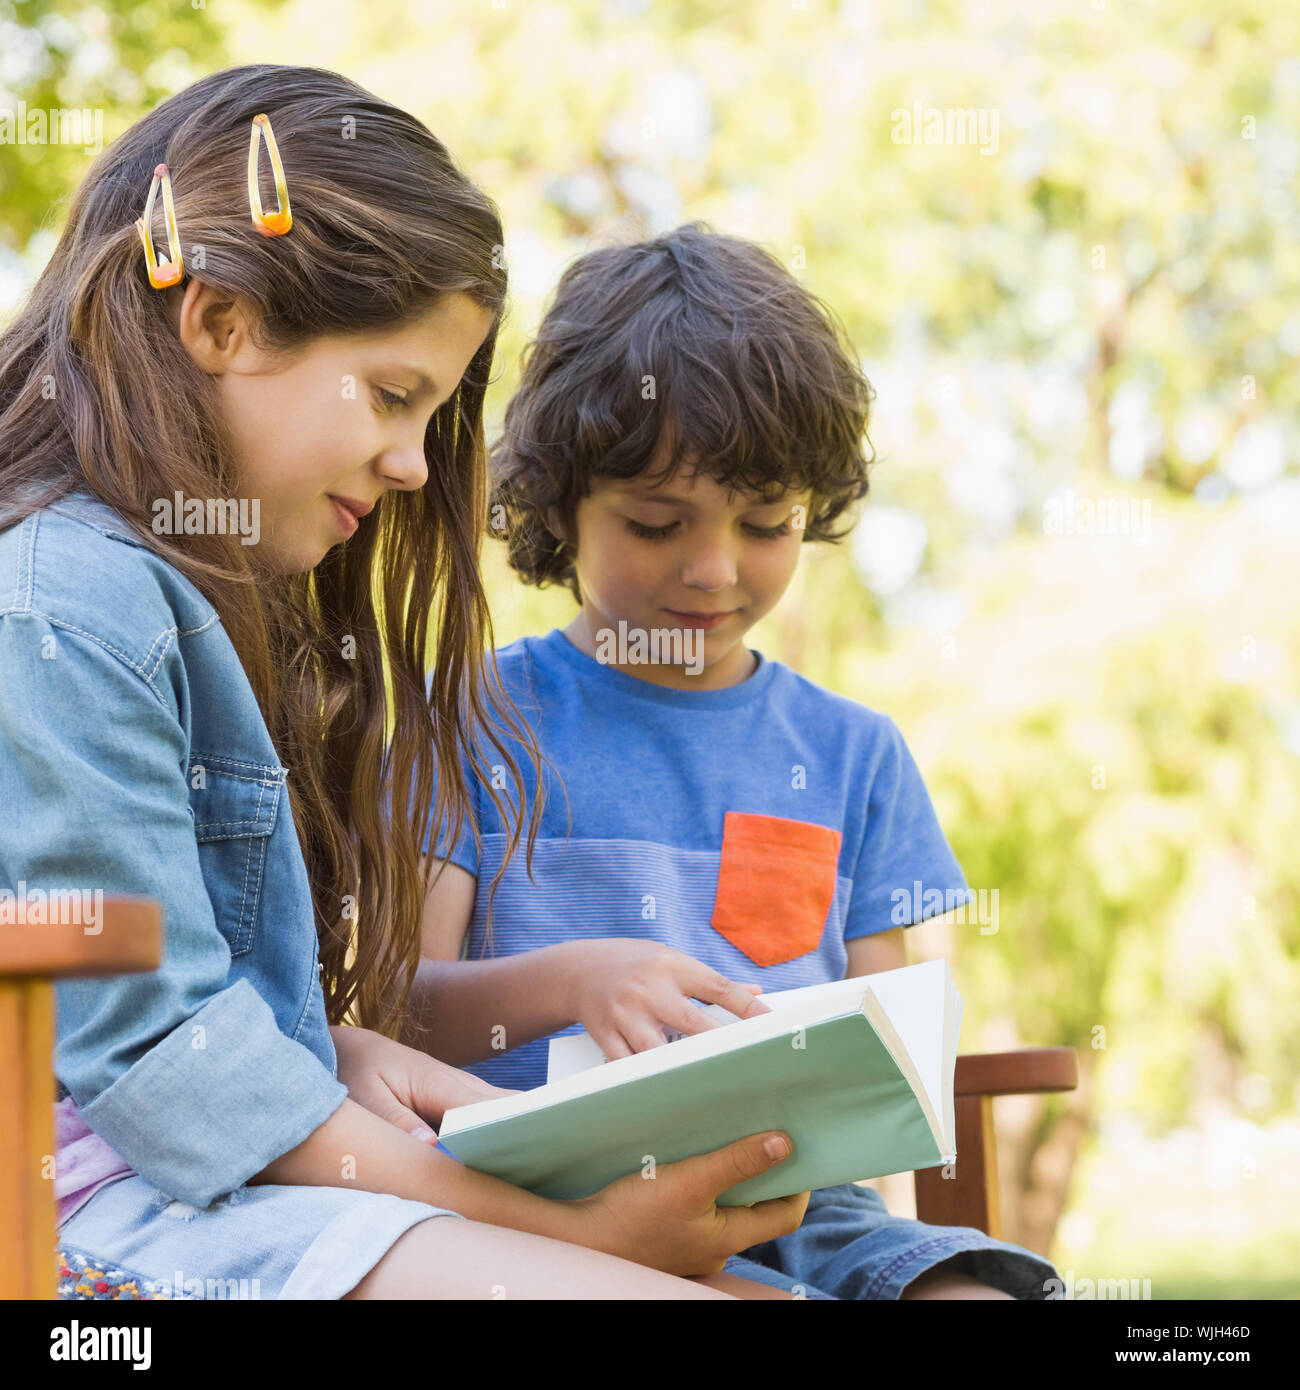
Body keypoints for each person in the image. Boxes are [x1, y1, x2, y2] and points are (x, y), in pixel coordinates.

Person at [0, 67, 813, 1301]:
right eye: (392, 397)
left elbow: (147, 1020)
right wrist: (573, 1234)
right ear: (219, 321)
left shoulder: (168, 594)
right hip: (95, 1230)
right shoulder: (67, 602)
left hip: (188, 1188)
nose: (412, 464)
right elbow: (158, 1064)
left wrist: (331, 1051)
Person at [409, 224, 1064, 1300]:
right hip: (545, 1206)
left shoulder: (854, 754)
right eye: (658, 522)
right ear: (559, 506)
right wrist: (577, 980)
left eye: (766, 523)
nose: (713, 570)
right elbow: (401, 1006)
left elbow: (883, 1046)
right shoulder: (473, 718)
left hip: (804, 1202)